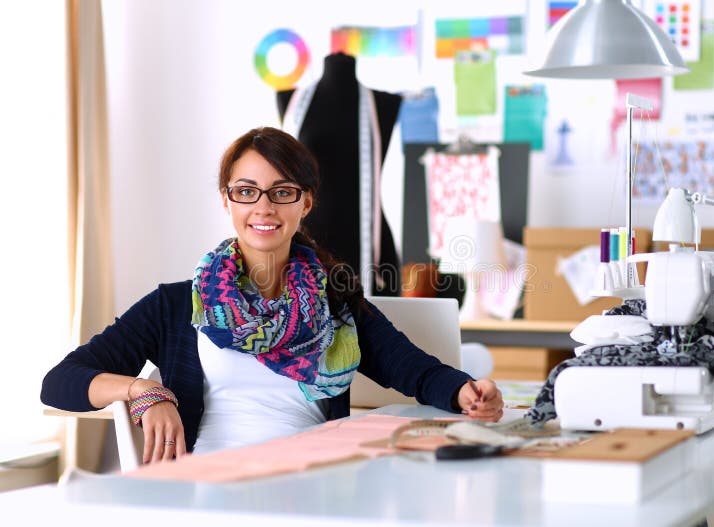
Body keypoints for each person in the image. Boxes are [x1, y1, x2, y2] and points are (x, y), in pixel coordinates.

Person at [40, 126, 504, 465]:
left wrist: (467, 392)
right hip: (208, 486)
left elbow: (412, 368)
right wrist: (143, 390)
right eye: (247, 191)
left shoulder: (335, 302)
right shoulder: (176, 304)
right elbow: (60, 380)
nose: (263, 207)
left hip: (312, 480)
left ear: (305, 202)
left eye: (281, 191)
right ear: (227, 200)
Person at [277, 52, 401, 296]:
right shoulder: (291, 100)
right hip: (307, 237)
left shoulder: (383, 103)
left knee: (374, 329)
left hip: (369, 246)